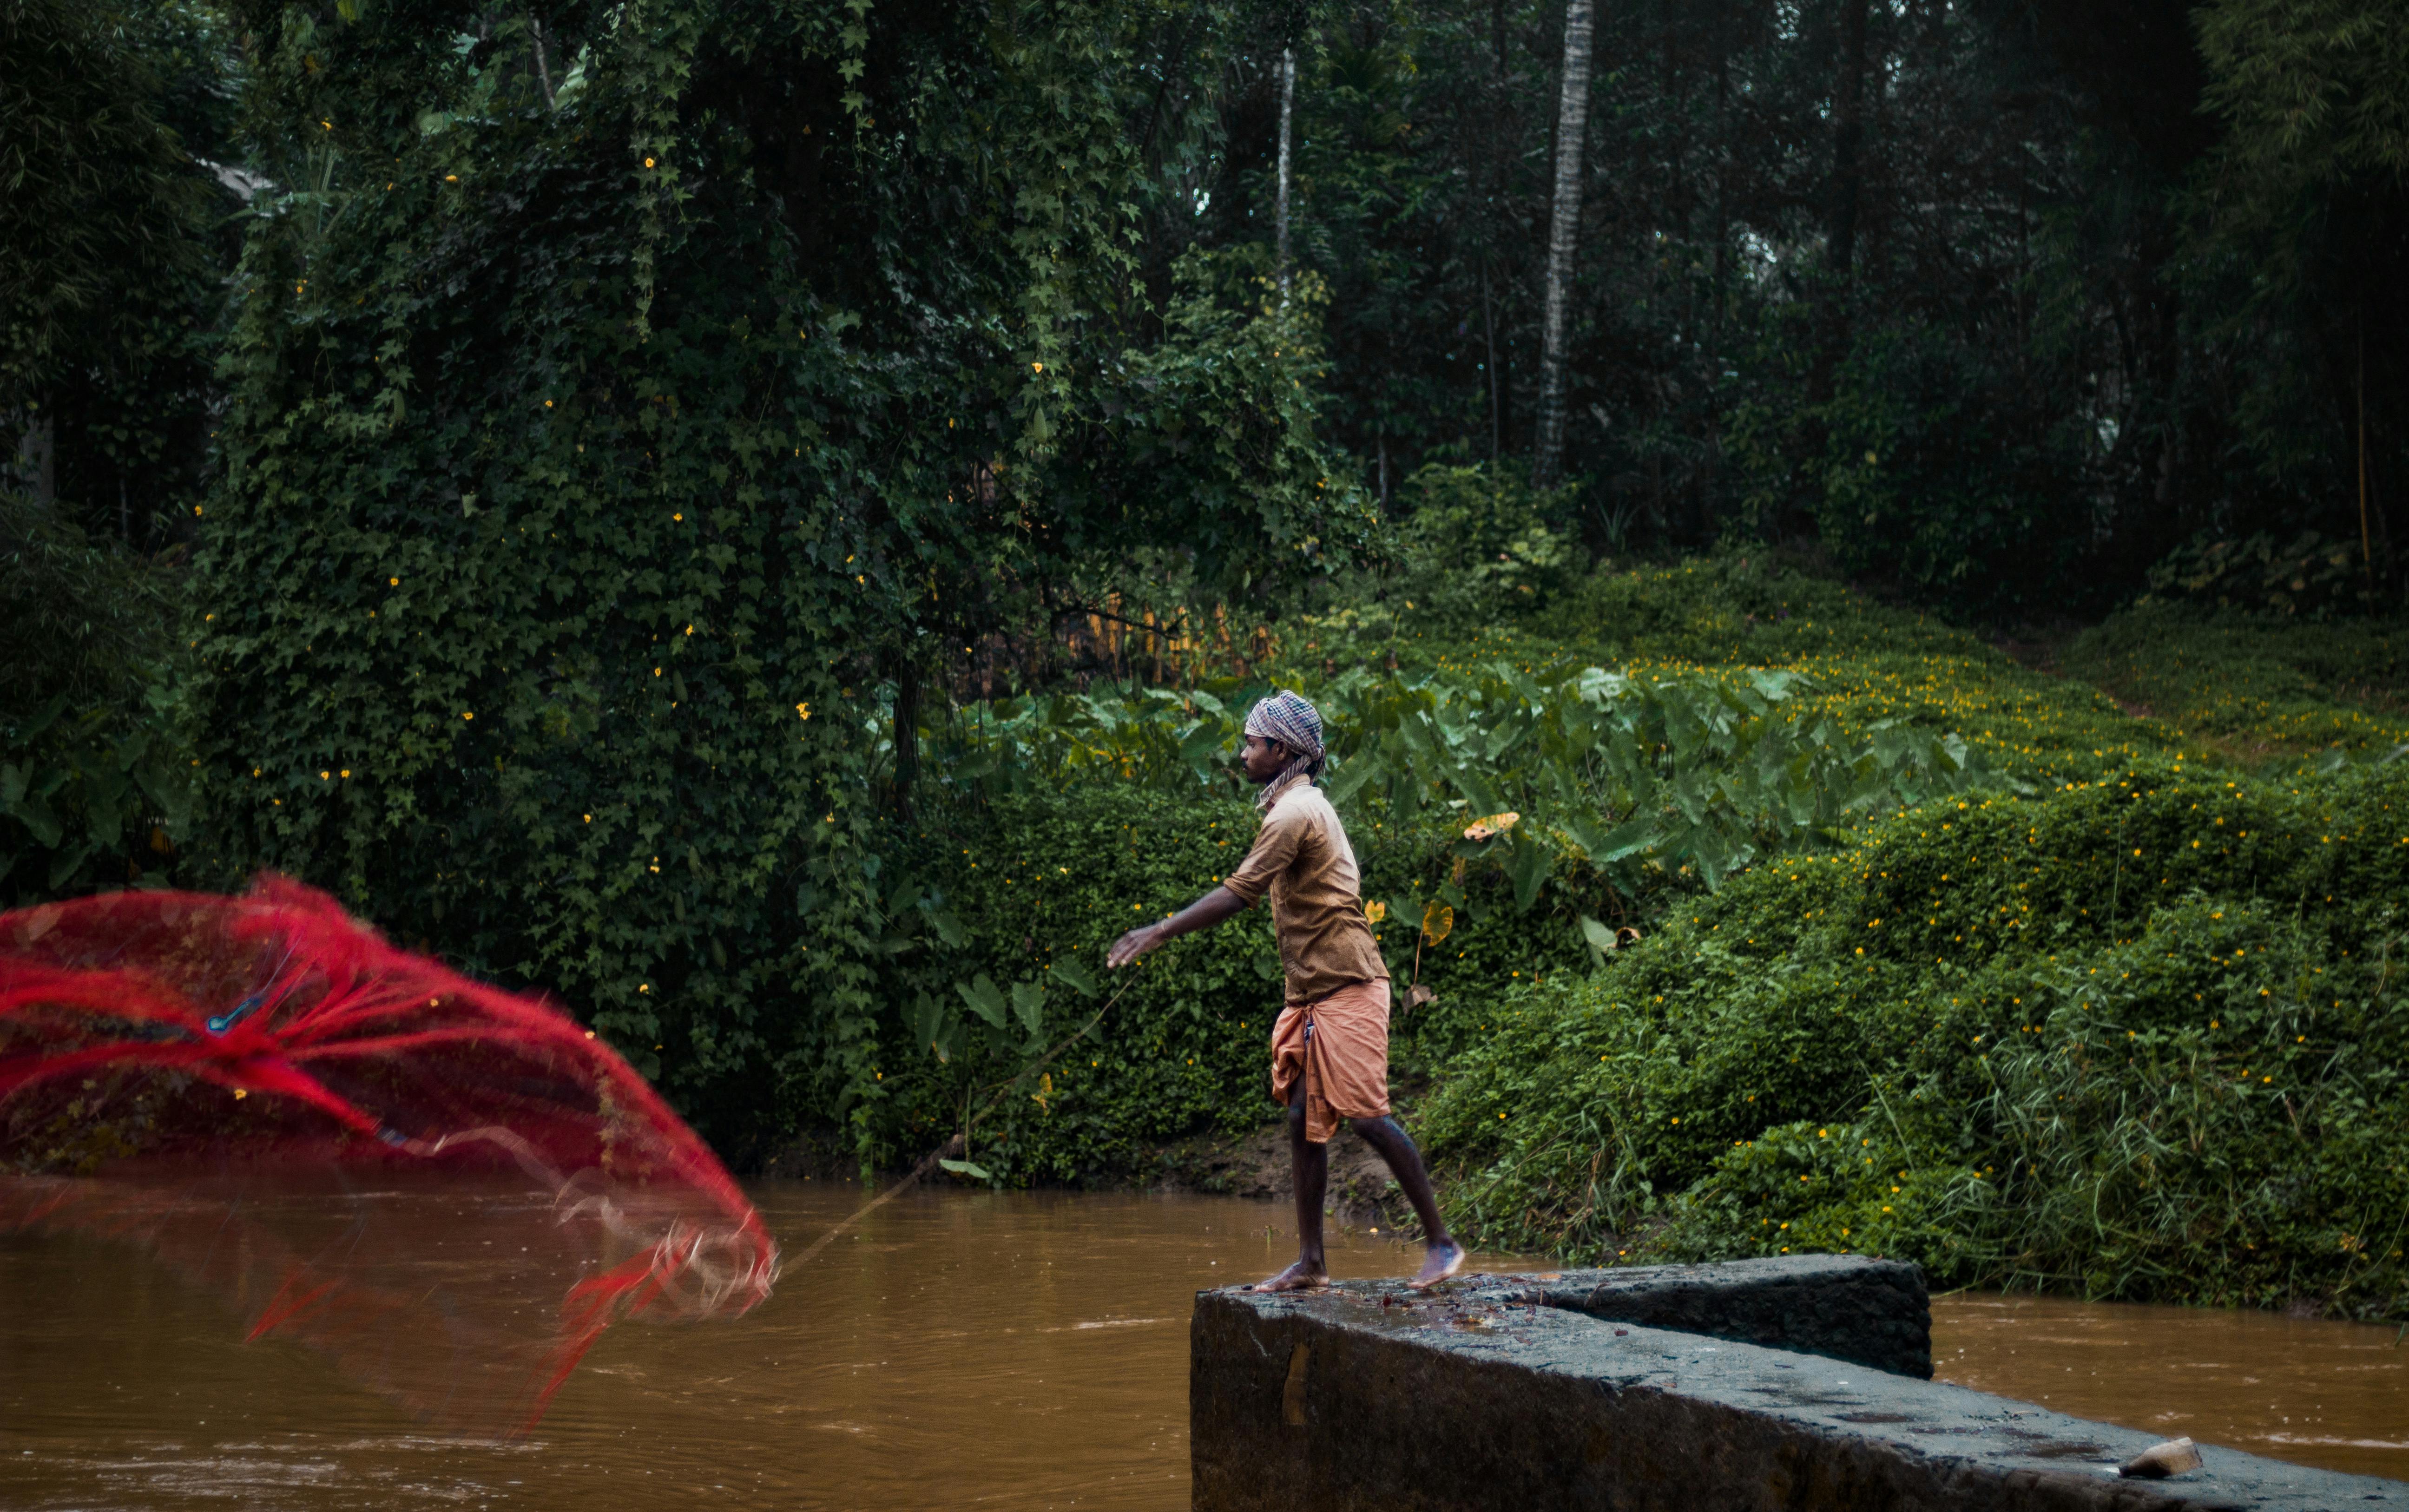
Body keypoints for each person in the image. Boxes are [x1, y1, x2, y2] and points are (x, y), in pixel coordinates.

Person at [1105, 690, 1465, 1292]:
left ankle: (1442, 1243)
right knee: (1301, 1115)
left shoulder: (1296, 813)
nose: (1243, 754)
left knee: (1367, 1117)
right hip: (1313, 992)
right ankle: (1312, 1263)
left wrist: (1159, 931)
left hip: (1349, 984)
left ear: (1280, 750)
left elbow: (1241, 891)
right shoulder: (1295, 806)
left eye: (1251, 744)